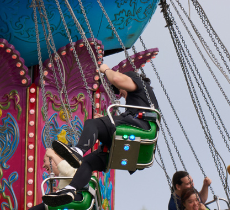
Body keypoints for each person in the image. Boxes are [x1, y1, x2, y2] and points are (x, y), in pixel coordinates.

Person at [54, 60, 159, 199]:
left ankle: (77, 151)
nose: (120, 94)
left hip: (138, 127)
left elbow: (116, 78)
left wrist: (105, 69)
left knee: (92, 124)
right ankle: (70, 189)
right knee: (89, 162)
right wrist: (105, 120)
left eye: (119, 90)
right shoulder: (139, 103)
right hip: (131, 140)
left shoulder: (138, 83)